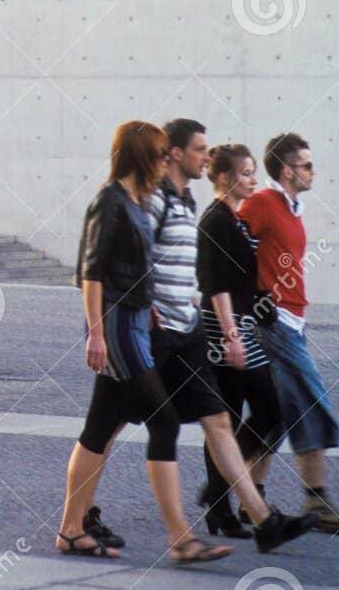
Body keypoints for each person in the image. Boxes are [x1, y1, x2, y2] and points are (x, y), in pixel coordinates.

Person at [74, 117, 314, 556]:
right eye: (200, 149)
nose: (207, 155)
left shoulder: (183, 198)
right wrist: (121, 318)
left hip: (186, 333)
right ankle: (88, 520)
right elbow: (113, 262)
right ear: (175, 154)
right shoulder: (147, 200)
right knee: (109, 424)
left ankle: (263, 521)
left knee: (217, 418)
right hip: (150, 334)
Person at [58, 119, 229, 565]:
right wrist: (95, 334)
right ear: (141, 156)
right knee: (165, 419)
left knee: (99, 427)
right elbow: (91, 272)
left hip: (136, 322)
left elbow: (140, 266)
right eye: (159, 153)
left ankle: (72, 530)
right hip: (117, 328)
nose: (165, 160)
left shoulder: (138, 200)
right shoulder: (110, 200)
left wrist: (151, 301)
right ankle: (181, 537)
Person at [240, 132, 339, 532]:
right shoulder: (262, 203)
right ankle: (316, 500)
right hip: (274, 321)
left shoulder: (290, 207)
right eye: (307, 165)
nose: (313, 172)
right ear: (287, 170)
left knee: (279, 413)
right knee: (313, 401)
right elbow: (226, 244)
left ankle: (250, 497)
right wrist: (254, 300)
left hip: (292, 320)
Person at [196, 143, 283, 536]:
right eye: (246, 173)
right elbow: (215, 284)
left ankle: (218, 493)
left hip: (243, 327)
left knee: (268, 412)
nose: (253, 180)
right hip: (225, 332)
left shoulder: (236, 219)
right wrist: (231, 336)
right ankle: (220, 506)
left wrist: (262, 301)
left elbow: (241, 279)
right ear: (227, 178)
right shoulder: (215, 220)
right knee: (229, 419)